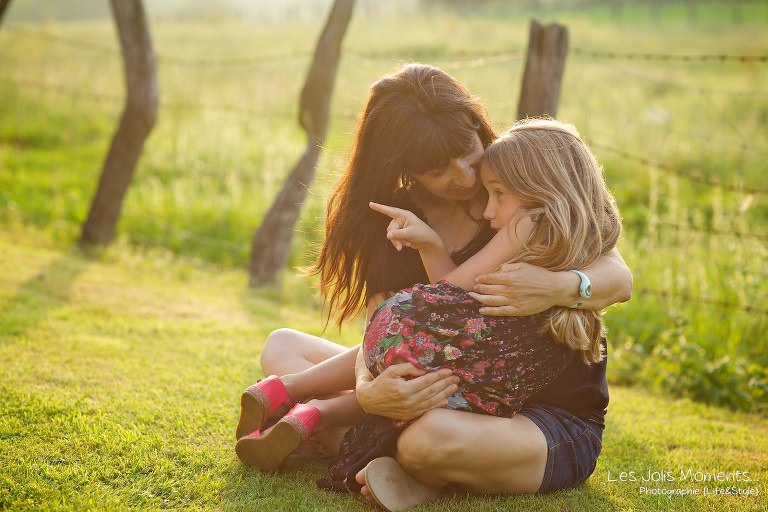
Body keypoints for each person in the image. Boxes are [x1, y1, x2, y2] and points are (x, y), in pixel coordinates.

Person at [234, 64, 632, 503]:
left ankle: (335, 430)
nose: (463, 177)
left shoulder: (522, 189)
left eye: (469, 153)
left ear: (476, 127)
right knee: (282, 346)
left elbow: (619, 278)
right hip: (449, 388)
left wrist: (562, 287)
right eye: (439, 169)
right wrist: (371, 391)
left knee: (427, 440)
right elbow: (392, 325)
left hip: (544, 420)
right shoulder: (393, 225)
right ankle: (371, 448)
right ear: (405, 169)